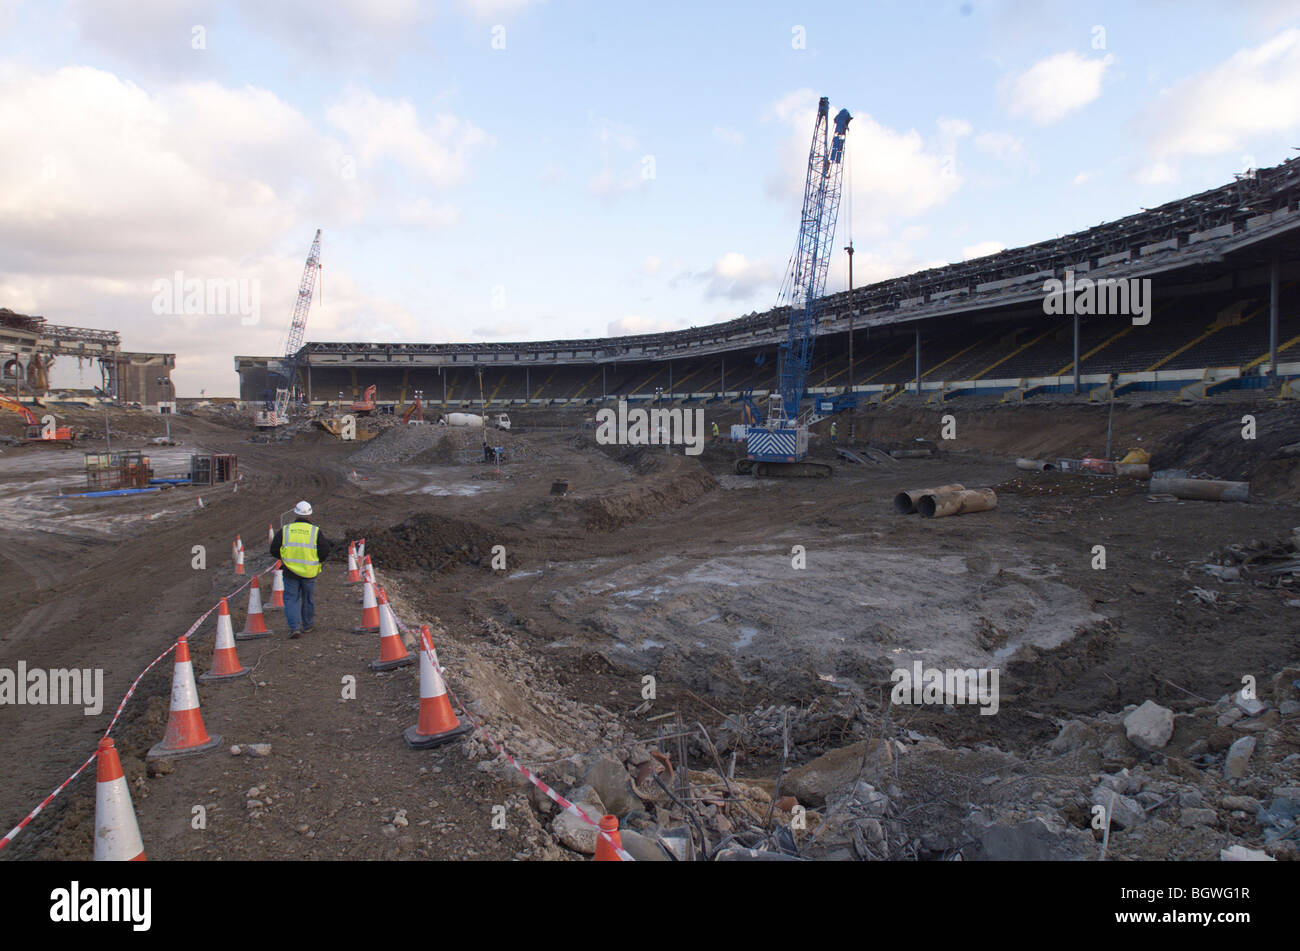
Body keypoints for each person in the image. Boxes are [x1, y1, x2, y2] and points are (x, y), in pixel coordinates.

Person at [269, 500, 335, 639]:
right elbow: (325, 550)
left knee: (291, 599)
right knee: (307, 598)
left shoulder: (286, 530)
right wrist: (317, 561)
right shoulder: (315, 531)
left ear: (295, 513)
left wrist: (285, 558)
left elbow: (273, 549)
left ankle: (294, 628)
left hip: (290, 572)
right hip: (310, 572)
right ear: (310, 514)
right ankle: (308, 625)